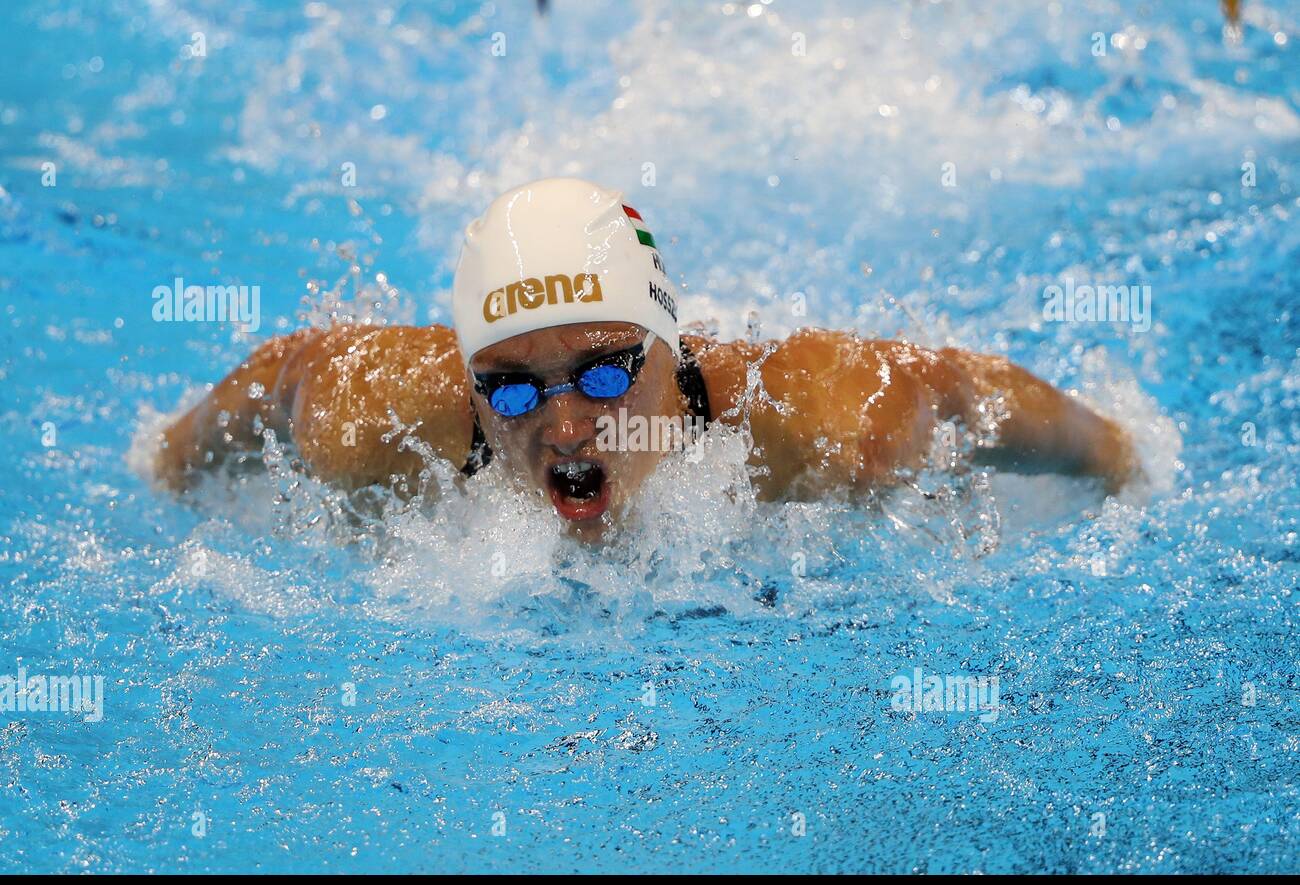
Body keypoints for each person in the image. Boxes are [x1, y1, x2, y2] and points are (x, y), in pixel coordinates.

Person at [154, 177, 1139, 539]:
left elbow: (963, 393)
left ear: (670, 347)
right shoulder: (373, 418)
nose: (568, 425)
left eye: (604, 368)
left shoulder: (825, 422)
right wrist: (164, 466)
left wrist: (1120, 458)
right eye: (510, 384)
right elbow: (282, 378)